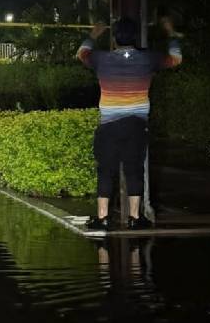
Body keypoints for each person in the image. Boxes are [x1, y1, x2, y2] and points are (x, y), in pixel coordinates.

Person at [77, 16, 182, 229]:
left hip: (109, 125)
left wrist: (93, 35)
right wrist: (171, 33)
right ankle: (135, 218)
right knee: (134, 170)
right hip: (136, 124)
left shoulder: (101, 59)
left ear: (114, 38)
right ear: (135, 37)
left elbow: (81, 54)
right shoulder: (148, 59)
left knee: (106, 170)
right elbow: (176, 59)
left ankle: (103, 218)